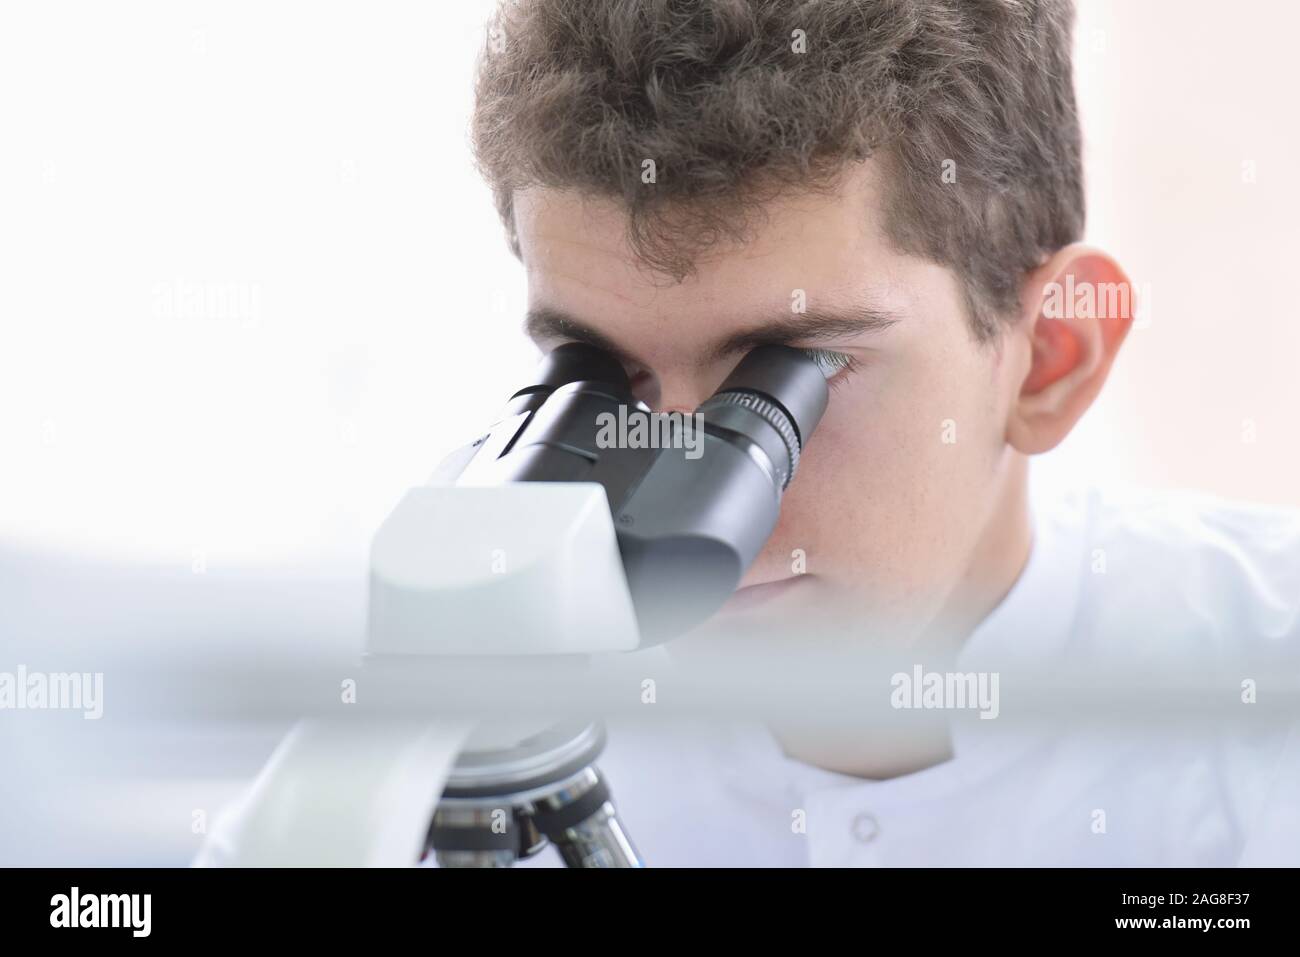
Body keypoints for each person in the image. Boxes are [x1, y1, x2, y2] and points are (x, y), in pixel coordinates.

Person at [471, 0, 1300, 866]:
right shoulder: (437, 724)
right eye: (604, 375)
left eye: (786, 377)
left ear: (1052, 356)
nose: (675, 505)